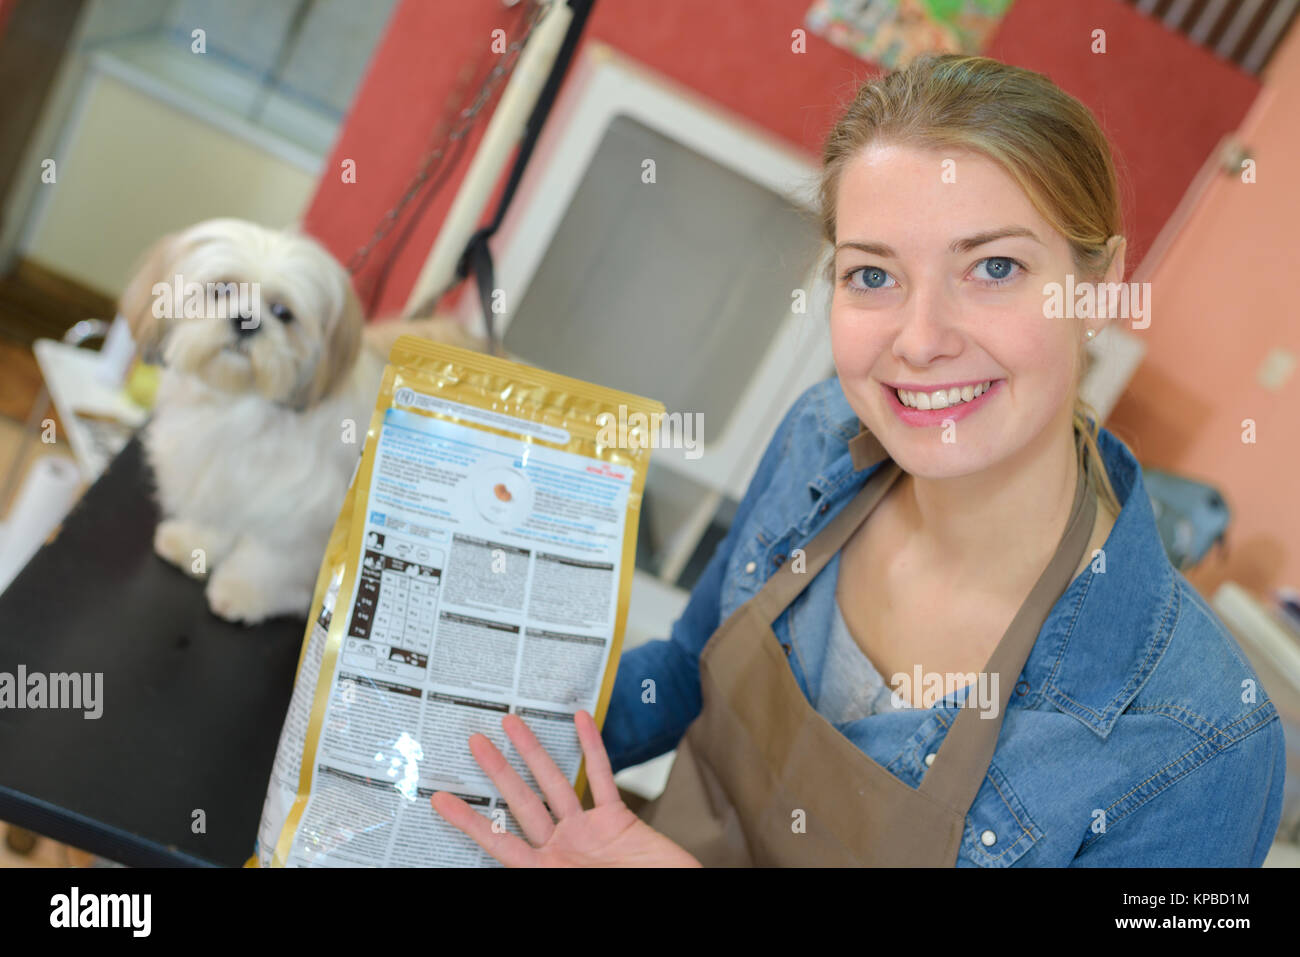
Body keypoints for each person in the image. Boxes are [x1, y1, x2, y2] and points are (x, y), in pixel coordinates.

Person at [430, 53, 1287, 866]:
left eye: (993, 267)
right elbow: (693, 667)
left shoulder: (1200, 743)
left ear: (1098, 289)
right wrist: (463, 717)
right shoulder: (820, 435)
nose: (920, 342)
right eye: (873, 276)